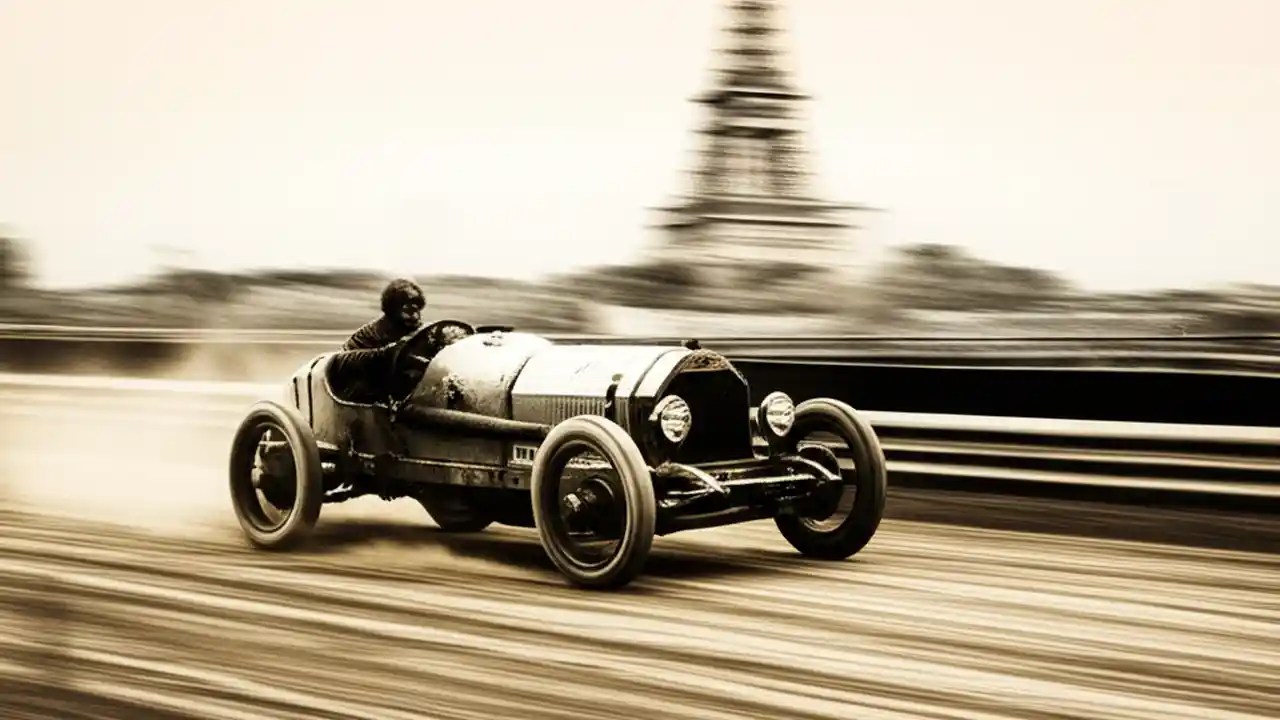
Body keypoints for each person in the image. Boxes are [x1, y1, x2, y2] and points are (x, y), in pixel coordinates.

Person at [328, 278, 427, 401]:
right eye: (408, 310)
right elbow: (339, 363)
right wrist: (385, 354)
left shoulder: (422, 333)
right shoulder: (369, 334)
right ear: (392, 310)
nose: (415, 317)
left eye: (417, 310)